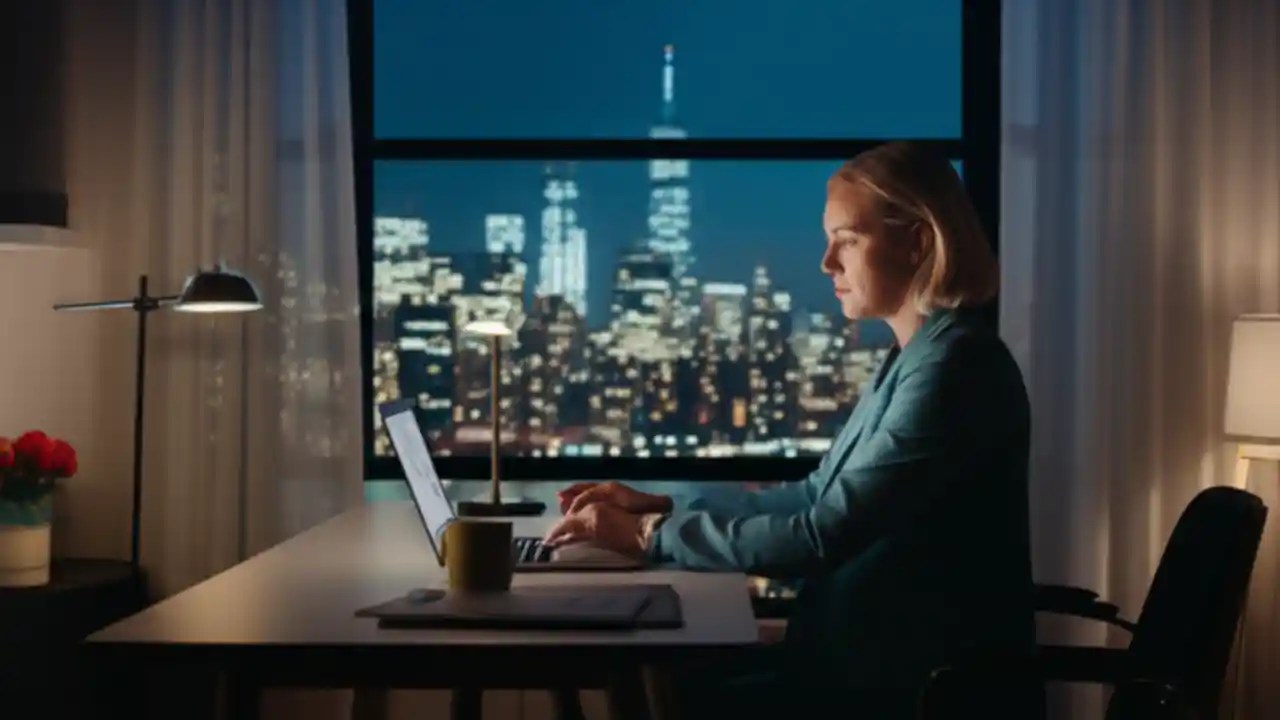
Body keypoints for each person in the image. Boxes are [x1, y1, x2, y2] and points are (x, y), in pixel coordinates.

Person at [543, 141, 1036, 717]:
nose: (827, 263)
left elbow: (820, 534)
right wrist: (662, 505)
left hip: (906, 688)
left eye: (847, 240)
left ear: (918, 241)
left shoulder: (954, 369)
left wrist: (650, 536)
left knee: (657, 688)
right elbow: (813, 494)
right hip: (855, 661)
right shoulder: (912, 359)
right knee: (658, 682)